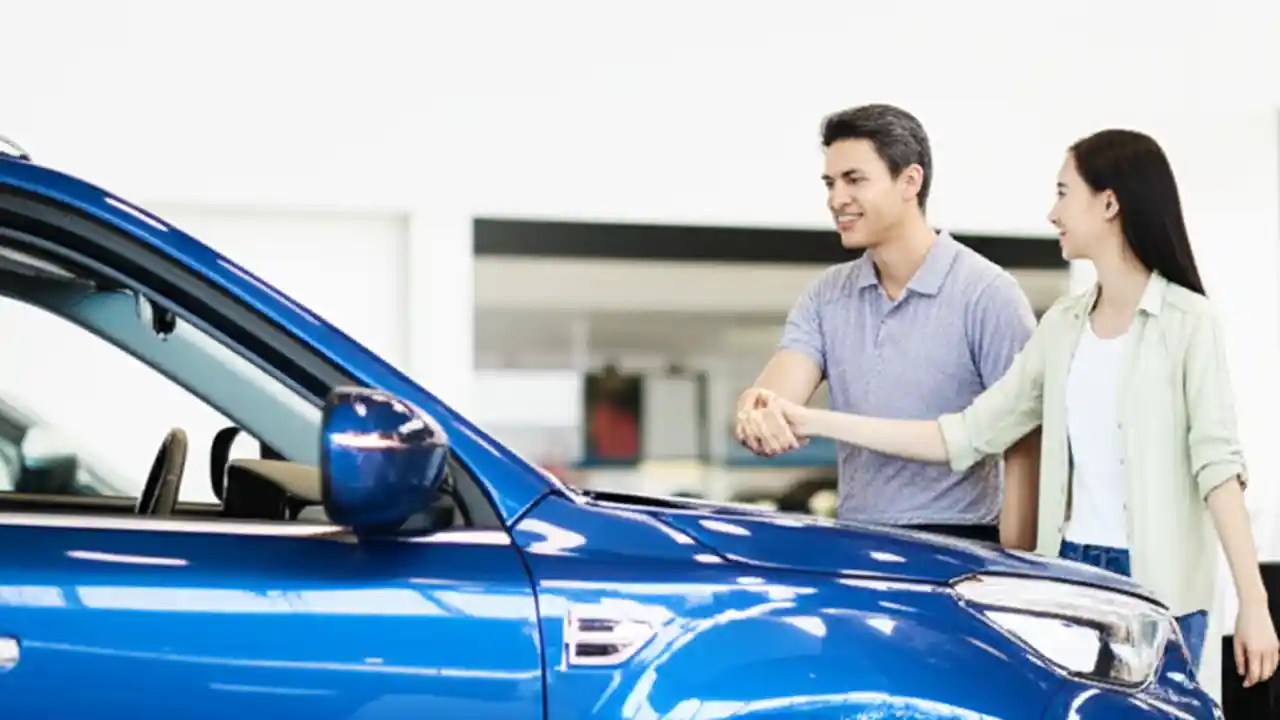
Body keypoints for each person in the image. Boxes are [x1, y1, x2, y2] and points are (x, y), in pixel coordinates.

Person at [766, 128, 1280, 694]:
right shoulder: (1061, 326)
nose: (1052, 212)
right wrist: (815, 420)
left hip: (1163, 586)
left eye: (1064, 194)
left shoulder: (1189, 323)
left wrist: (1250, 602)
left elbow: (1218, 469)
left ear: (1108, 203)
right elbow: (965, 435)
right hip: (1070, 579)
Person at [735, 103, 1041, 547]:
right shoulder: (826, 296)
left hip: (964, 546)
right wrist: (756, 410)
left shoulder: (988, 293)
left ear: (909, 182)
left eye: (854, 180)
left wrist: (1019, 566)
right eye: (830, 183)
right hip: (857, 541)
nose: (837, 198)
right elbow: (776, 397)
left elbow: (1025, 443)